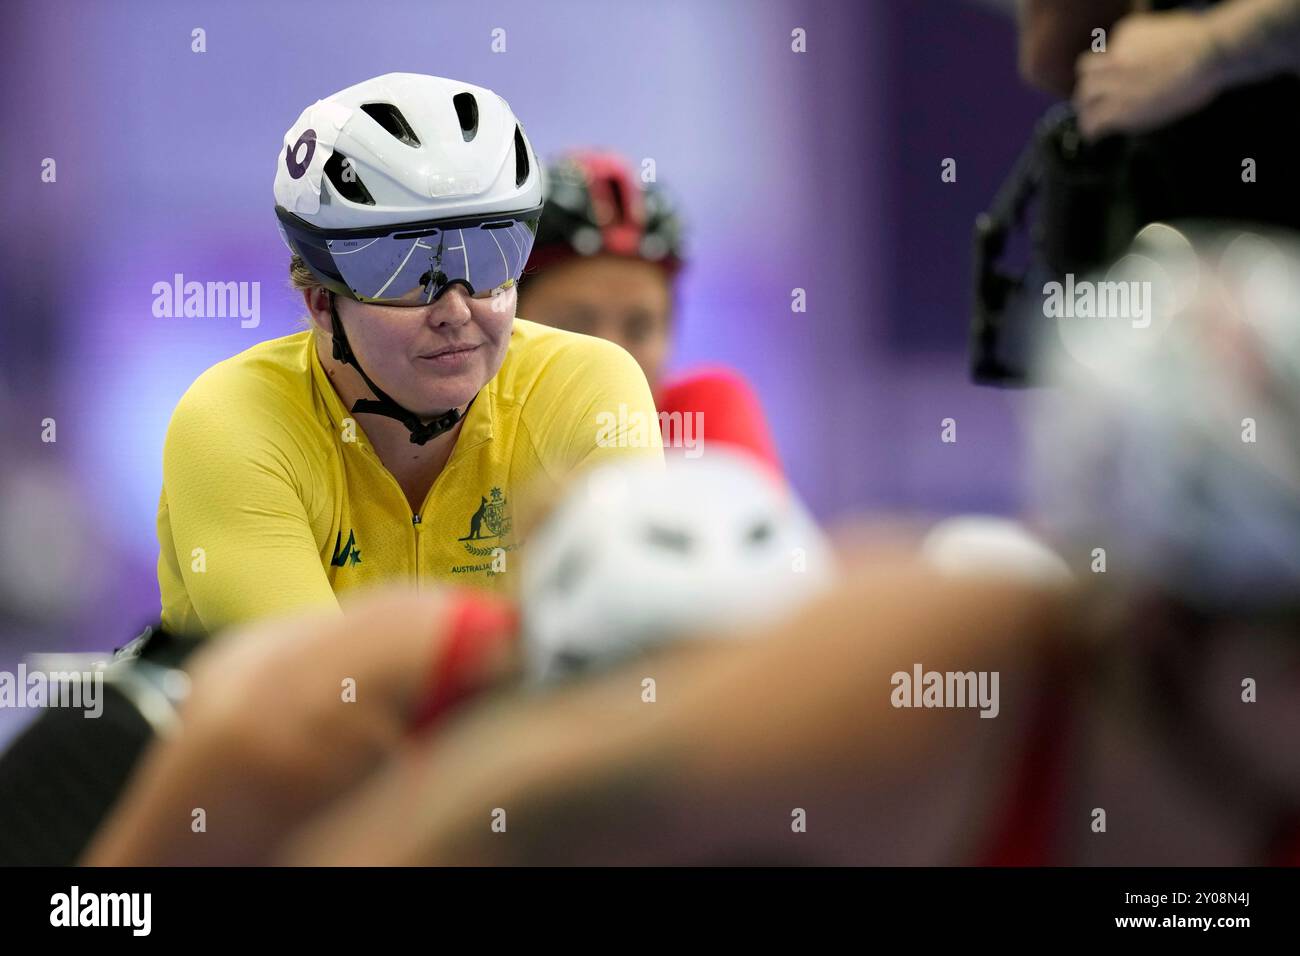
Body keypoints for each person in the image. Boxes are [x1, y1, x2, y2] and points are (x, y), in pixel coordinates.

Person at [156, 74, 662, 636]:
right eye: (404, 271)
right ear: (321, 302)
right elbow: (321, 699)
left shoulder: (585, 384)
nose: (456, 309)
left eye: (490, 259)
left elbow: (634, 656)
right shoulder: (232, 420)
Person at [519, 150, 782, 473]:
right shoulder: (461, 438)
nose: (614, 355)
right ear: (509, 327)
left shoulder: (702, 418)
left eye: (639, 328)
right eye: (576, 327)